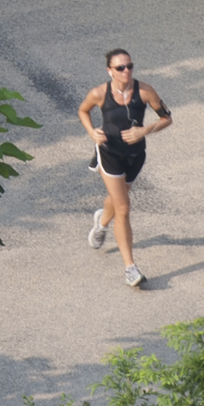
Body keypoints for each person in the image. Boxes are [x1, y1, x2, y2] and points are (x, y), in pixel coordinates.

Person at [78, 45, 172, 288]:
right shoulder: (99, 93)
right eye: (120, 68)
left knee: (118, 199)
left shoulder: (145, 91)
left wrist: (144, 130)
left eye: (129, 66)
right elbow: (83, 110)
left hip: (135, 155)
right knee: (123, 206)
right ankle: (130, 268)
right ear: (110, 71)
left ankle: (101, 222)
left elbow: (166, 118)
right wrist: (92, 133)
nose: (126, 71)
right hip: (109, 153)